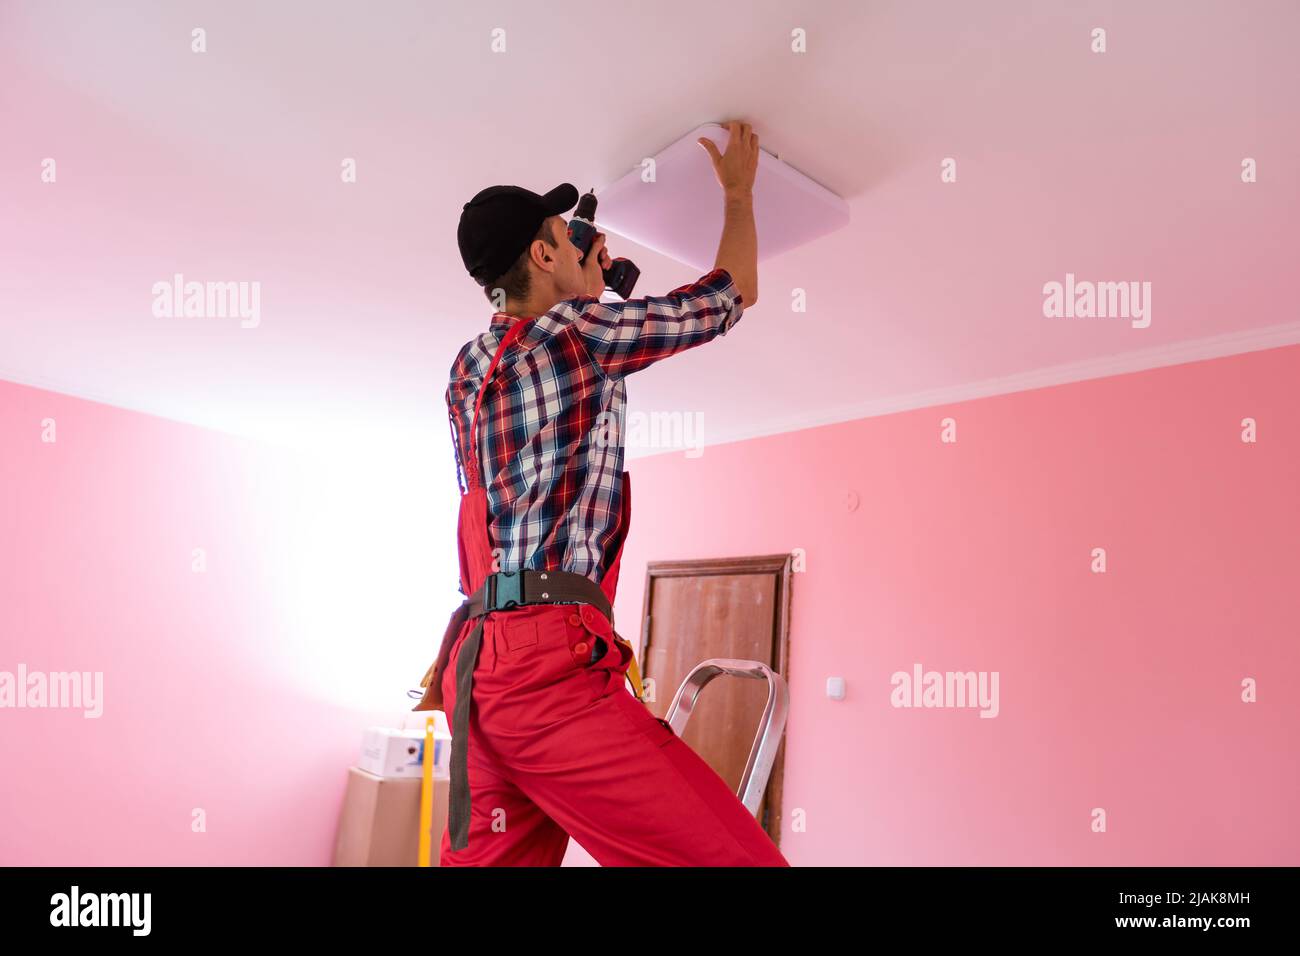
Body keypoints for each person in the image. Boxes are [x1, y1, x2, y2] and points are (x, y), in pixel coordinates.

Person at [413, 120, 787, 866]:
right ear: (545, 253)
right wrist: (740, 198)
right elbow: (728, 296)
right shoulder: (584, 333)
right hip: (545, 669)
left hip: (475, 680)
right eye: (562, 231)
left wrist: (594, 290)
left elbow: (563, 379)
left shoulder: (466, 369)